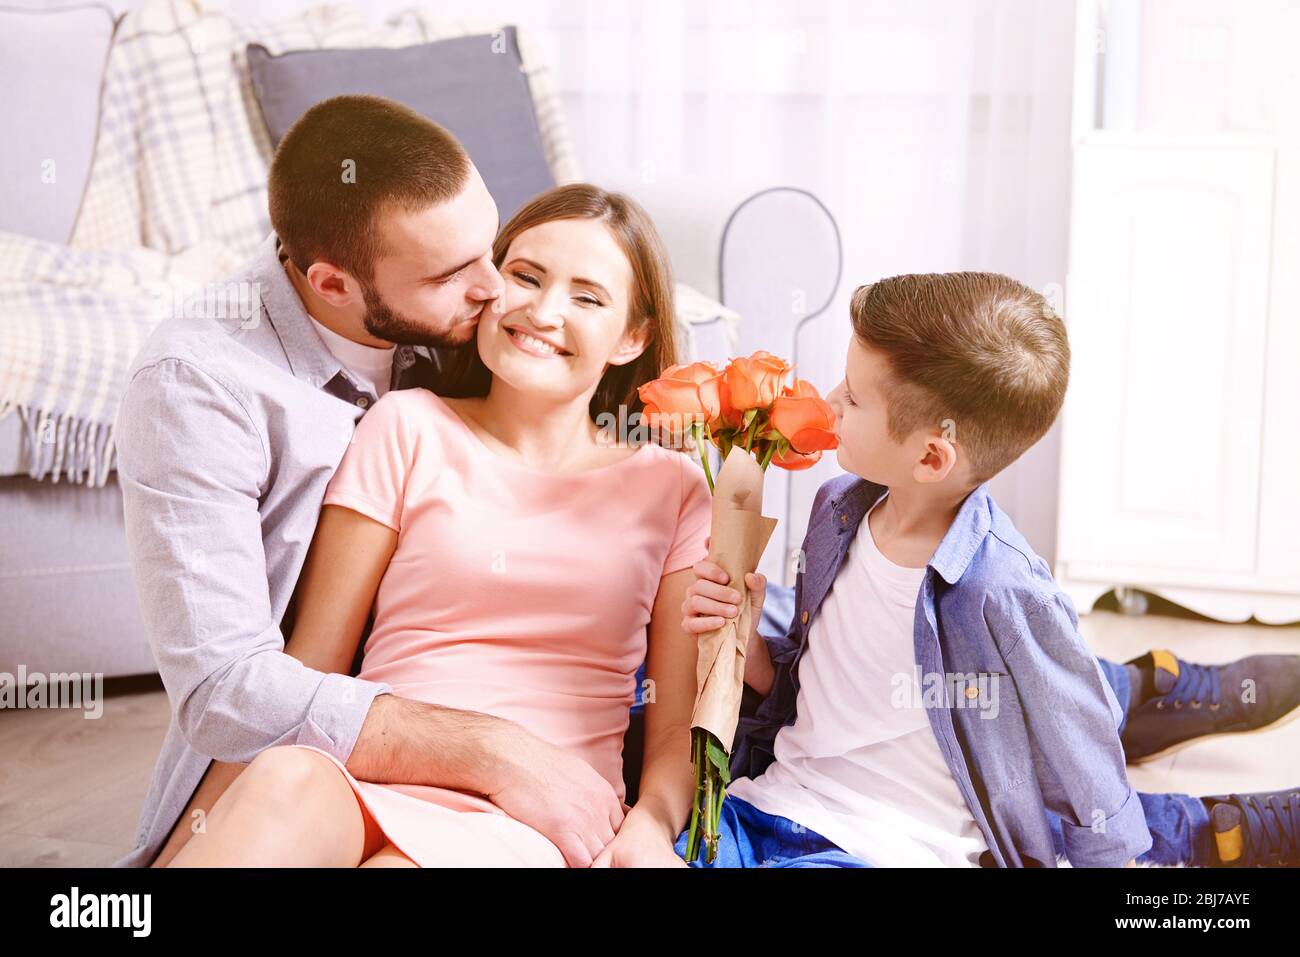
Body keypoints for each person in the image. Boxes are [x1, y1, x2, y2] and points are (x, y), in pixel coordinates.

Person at [681, 273, 1300, 867]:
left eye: (854, 394)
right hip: (766, 808)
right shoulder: (837, 510)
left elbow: (1080, 746)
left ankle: (1201, 811)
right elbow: (809, 683)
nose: (831, 399)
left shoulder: (1004, 589)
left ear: (930, 455)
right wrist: (745, 645)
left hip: (880, 848)